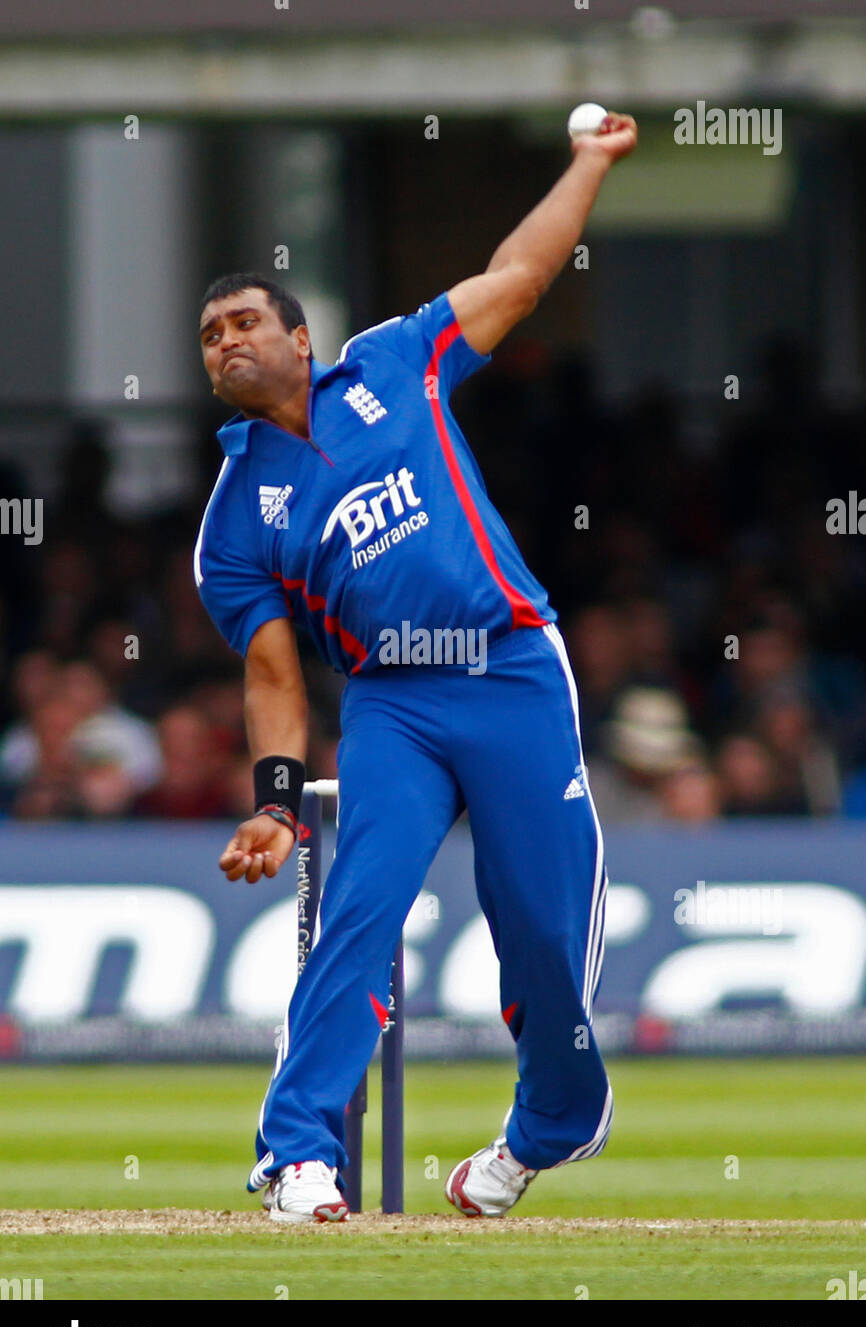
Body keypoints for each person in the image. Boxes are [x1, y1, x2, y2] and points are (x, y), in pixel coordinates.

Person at [193, 111, 638, 1223]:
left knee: (537, 926)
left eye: (246, 321)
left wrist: (587, 160)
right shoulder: (234, 519)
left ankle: (549, 1126)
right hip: (391, 702)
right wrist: (277, 804)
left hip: (509, 667)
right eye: (209, 336)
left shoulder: (396, 360)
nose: (226, 342)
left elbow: (522, 275)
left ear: (303, 339)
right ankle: (297, 1155)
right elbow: (272, 677)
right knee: (359, 910)